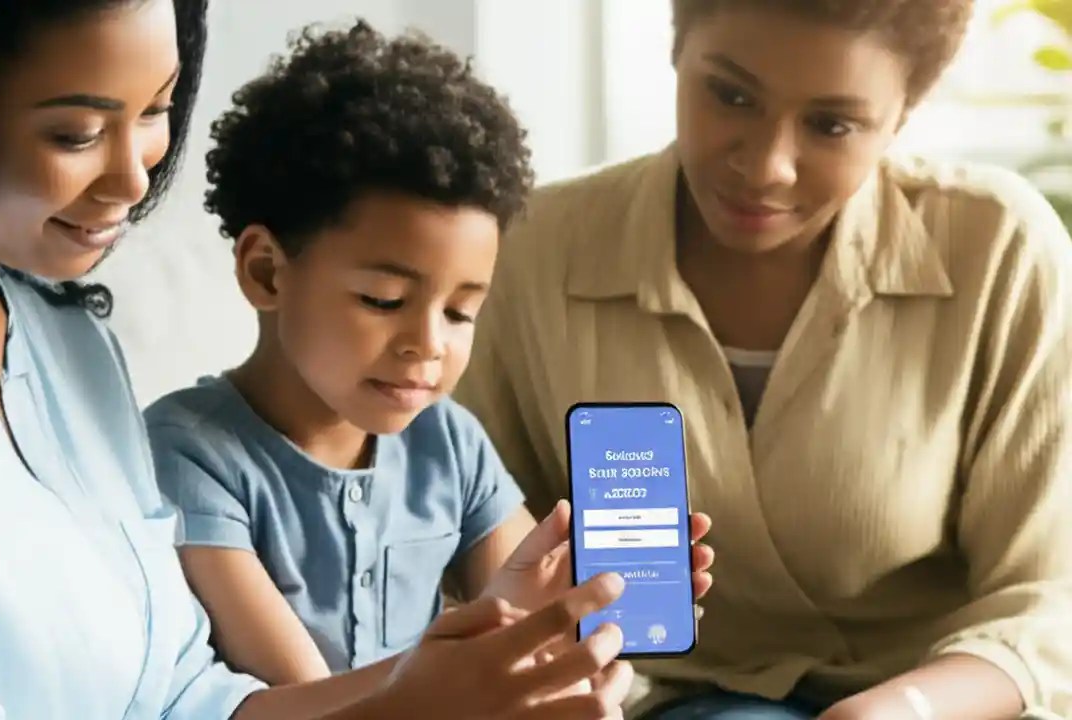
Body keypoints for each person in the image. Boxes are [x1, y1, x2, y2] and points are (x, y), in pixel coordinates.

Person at [0, 2, 664, 718]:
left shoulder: (65, 336)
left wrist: (464, 675)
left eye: (157, 110)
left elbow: (187, 697)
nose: (134, 179)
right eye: (75, 133)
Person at [454, 0, 1072, 718]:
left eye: (831, 125)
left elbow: (1050, 596)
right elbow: (466, 537)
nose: (766, 166)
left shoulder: (999, 250)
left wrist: (900, 709)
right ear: (677, 49)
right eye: (732, 95)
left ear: (904, 113)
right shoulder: (531, 251)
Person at [144, 19, 716, 690]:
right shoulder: (189, 453)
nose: (428, 345)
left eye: (460, 310)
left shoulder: (448, 442)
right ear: (268, 272)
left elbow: (526, 619)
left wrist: (562, 638)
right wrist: (488, 660)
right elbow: (306, 698)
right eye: (385, 300)